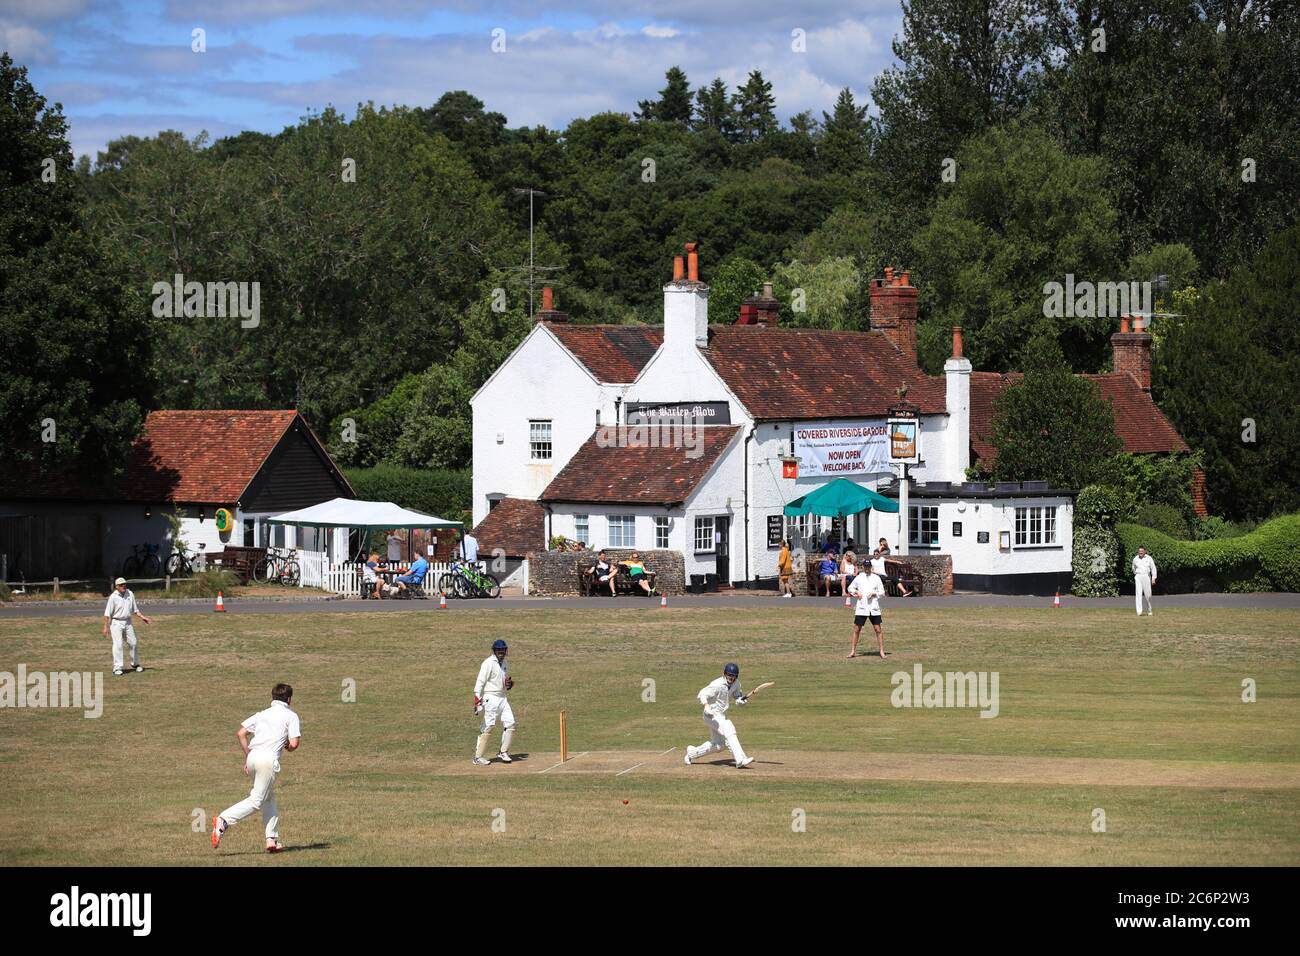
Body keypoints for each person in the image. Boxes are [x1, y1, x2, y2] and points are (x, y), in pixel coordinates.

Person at [211, 682, 302, 853]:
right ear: (289, 699)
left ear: (273, 698)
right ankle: (224, 820)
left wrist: (247, 758)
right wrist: (288, 747)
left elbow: (241, 733)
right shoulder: (291, 716)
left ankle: (271, 840)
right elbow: (294, 744)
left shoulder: (262, 714)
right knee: (256, 800)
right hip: (267, 761)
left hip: (253, 758)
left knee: (268, 797)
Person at [684, 662, 753, 769]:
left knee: (719, 746)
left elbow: (737, 695)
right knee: (729, 727)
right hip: (711, 715)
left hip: (722, 715)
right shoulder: (716, 684)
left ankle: (691, 753)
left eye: (733, 675)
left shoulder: (736, 684)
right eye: (729, 675)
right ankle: (740, 759)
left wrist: (740, 701)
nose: (731, 677)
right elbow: (702, 694)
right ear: (724, 674)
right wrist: (706, 705)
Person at [472, 639, 515, 764]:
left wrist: (508, 684)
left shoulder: (505, 663)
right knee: (489, 726)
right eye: (498, 650)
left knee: (511, 723)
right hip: (490, 698)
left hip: (502, 697)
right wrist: (477, 698)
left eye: (503, 650)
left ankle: (503, 752)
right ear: (494, 651)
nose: (501, 652)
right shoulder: (488, 663)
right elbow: (480, 681)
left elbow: (503, 681)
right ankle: (478, 757)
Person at [102, 576, 151, 676]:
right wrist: (105, 627)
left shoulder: (130, 593)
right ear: (116, 586)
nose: (123, 586)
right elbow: (107, 614)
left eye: (124, 584)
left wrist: (142, 617)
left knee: (133, 643)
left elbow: (135, 609)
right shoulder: (113, 597)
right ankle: (117, 667)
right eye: (121, 585)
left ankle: (135, 664)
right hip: (116, 623)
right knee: (118, 645)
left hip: (128, 622)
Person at [847, 562, 888, 659]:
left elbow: (882, 592)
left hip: (873, 607)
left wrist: (874, 594)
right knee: (857, 629)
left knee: (878, 629)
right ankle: (853, 651)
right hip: (862, 607)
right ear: (863, 567)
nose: (867, 568)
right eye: (865, 567)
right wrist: (857, 592)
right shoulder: (859, 577)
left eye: (868, 567)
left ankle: (881, 651)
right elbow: (850, 588)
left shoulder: (876, 578)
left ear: (871, 567)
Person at [1133, 546, 1158, 616]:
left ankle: (1149, 609)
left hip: (1146, 576)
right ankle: (1139, 611)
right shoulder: (1135, 559)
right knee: (1138, 594)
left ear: (1145, 551)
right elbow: (1133, 569)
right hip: (1138, 576)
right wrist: (1137, 575)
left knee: (1148, 595)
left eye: (1142, 551)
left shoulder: (1149, 558)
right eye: (1139, 551)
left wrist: (1153, 578)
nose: (1140, 552)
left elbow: (1153, 568)